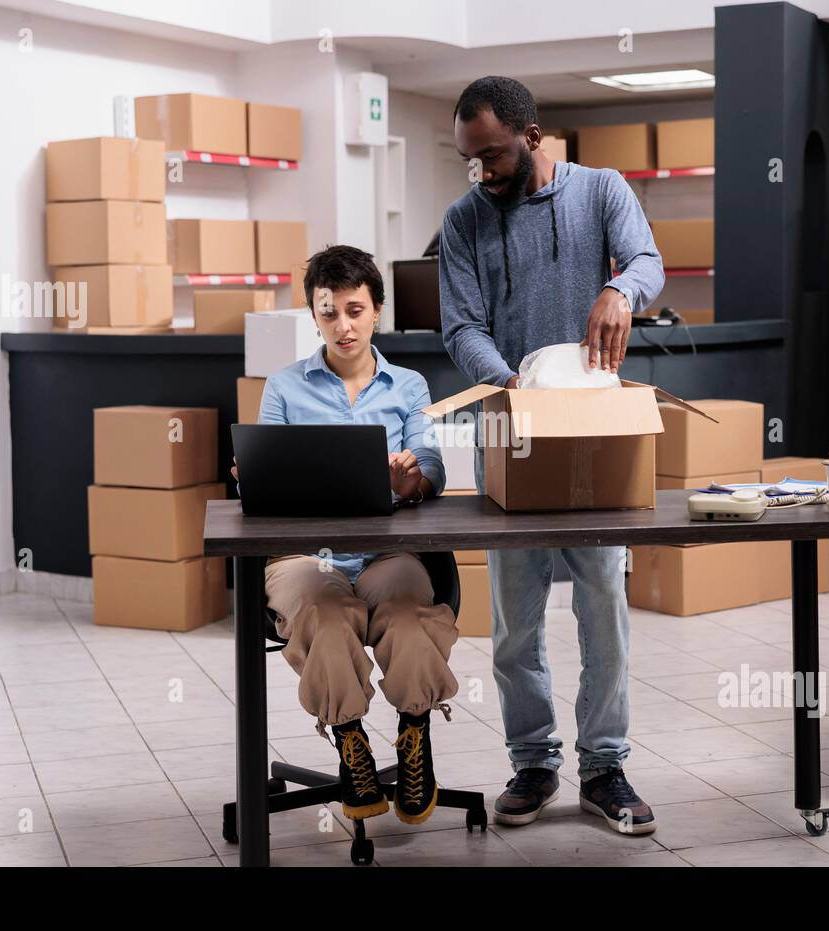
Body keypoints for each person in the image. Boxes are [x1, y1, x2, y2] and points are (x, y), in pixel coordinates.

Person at [439, 76, 664, 835]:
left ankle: (605, 767)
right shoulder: (465, 220)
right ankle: (533, 761)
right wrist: (512, 385)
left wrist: (619, 290)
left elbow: (646, 260)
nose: (482, 172)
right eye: (470, 159)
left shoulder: (600, 191)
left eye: (494, 155)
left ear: (534, 136)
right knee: (514, 620)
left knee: (603, 606)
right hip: (509, 431)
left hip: (591, 435)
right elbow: (461, 327)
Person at [252, 244, 459, 825]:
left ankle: (414, 734)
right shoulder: (285, 387)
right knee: (327, 615)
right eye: (328, 313)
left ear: (377, 310)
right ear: (313, 315)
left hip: (385, 550)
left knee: (409, 615)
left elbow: (433, 470)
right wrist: (258, 477)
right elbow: (264, 484)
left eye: (354, 310)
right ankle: (351, 741)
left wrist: (413, 478)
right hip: (305, 557)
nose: (343, 326)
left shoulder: (409, 386)